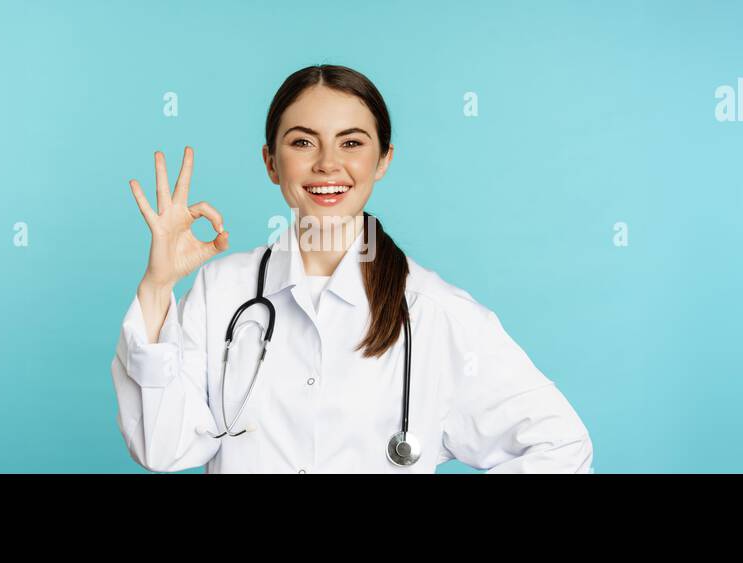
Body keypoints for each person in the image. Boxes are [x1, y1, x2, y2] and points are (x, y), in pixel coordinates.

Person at [111, 64, 593, 473]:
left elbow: (562, 445)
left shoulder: (432, 309)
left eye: (351, 143)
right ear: (271, 163)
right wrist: (158, 286)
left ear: (383, 160)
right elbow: (165, 448)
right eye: (302, 142)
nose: (327, 164)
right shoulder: (224, 289)